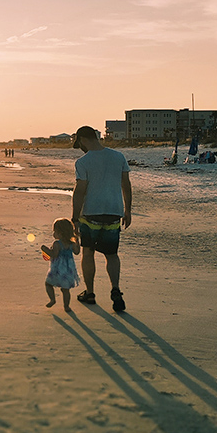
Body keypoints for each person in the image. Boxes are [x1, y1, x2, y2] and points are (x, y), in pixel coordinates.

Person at [71, 125, 132, 312]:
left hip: (90, 214)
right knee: (111, 254)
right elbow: (126, 185)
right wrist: (127, 210)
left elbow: (80, 191)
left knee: (88, 252)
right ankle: (115, 290)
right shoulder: (118, 156)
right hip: (114, 212)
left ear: (82, 139)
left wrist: (74, 218)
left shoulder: (83, 162)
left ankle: (89, 293)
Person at [41, 218, 80, 312]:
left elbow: (54, 254)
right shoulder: (71, 244)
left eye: (55, 231)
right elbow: (77, 252)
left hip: (57, 269)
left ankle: (52, 299)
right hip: (68, 270)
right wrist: (77, 240)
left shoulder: (57, 244)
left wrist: (45, 249)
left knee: (48, 284)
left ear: (60, 233)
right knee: (65, 289)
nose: (53, 234)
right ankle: (66, 306)